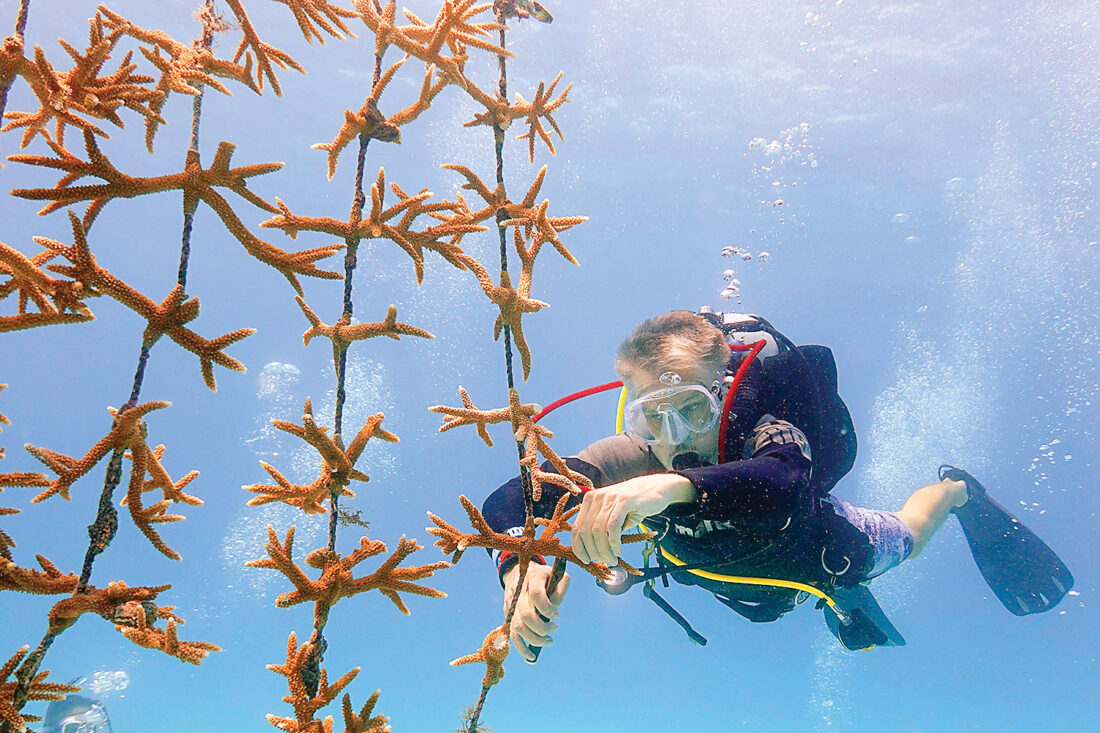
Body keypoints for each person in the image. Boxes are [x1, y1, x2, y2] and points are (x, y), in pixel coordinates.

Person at [481, 309, 1074, 657]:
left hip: (827, 551)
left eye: (691, 408)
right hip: (735, 581)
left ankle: (955, 489)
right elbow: (517, 496)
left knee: (912, 534)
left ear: (724, 393)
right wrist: (520, 559)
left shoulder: (770, 430)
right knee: (763, 614)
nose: (672, 434)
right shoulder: (631, 455)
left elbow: (784, 482)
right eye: (650, 414)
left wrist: (666, 488)